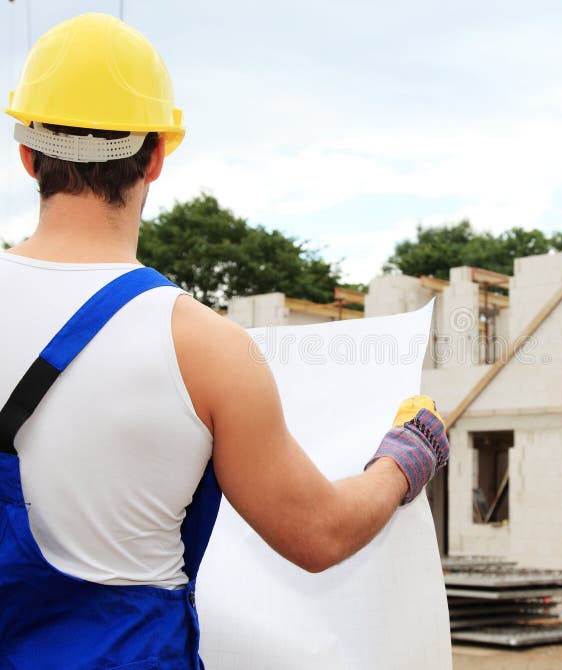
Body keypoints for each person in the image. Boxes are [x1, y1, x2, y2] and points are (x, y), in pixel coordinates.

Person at [0, 13, 449, 669]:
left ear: (28, 153)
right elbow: (318, 534)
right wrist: (405, 461)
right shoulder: (205, 349)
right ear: (155, 156)